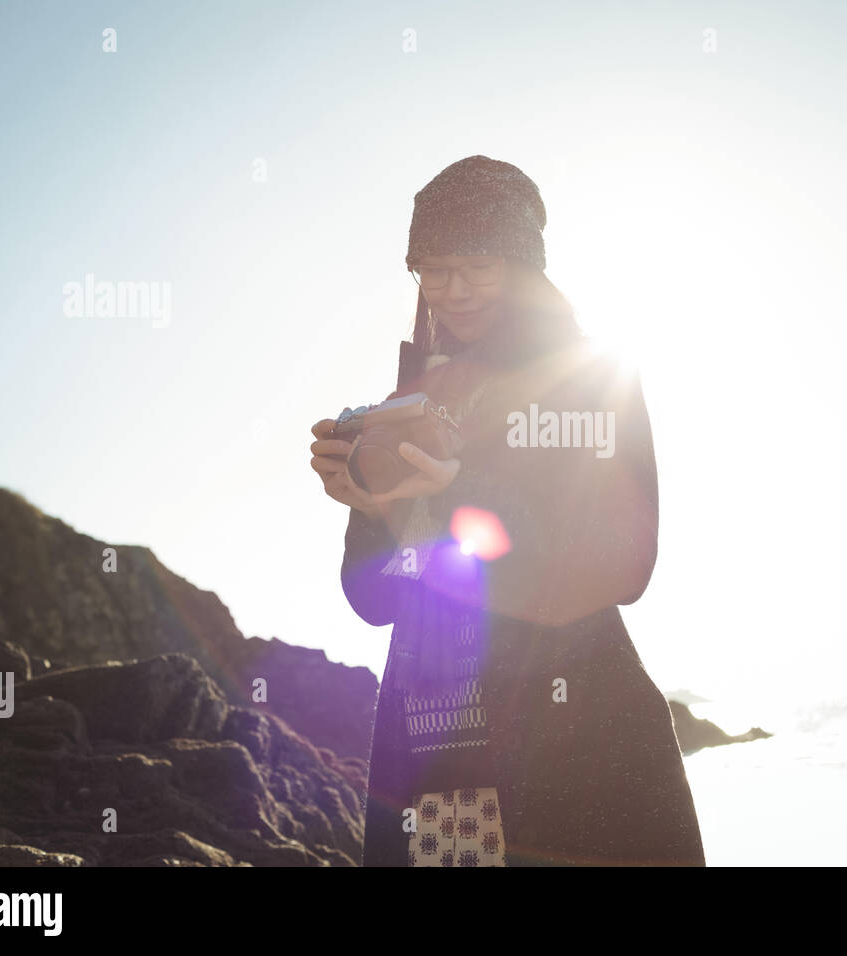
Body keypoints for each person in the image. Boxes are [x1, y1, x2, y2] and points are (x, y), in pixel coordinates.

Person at [309, 155, 705, 866]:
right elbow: (371, 600)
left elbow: (626, 565)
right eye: (432, 268)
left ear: (524, 269)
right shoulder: (404, 410)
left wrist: (460, 488)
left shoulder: (594, 380)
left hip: (580, 745)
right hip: (432, 764)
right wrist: (372, 507)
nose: (453, 291)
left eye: (479, 266)